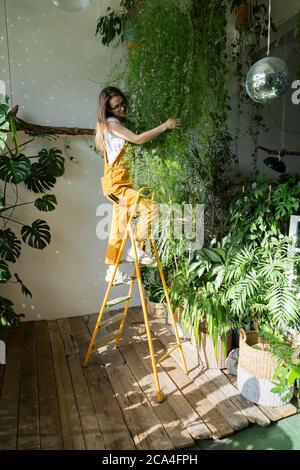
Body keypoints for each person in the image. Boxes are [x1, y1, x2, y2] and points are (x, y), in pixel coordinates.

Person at [95, 86, 181, 285]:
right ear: (107, 110)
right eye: (116, 107)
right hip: (117, 186)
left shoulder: (112, 124)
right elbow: (138, 139)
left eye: (123, 103)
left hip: (120, 183)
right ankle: (136, 250)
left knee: (119, 228)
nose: (122, 109)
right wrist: (165, 126)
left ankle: (112, 271)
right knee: (152, 209)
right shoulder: (111, 124)